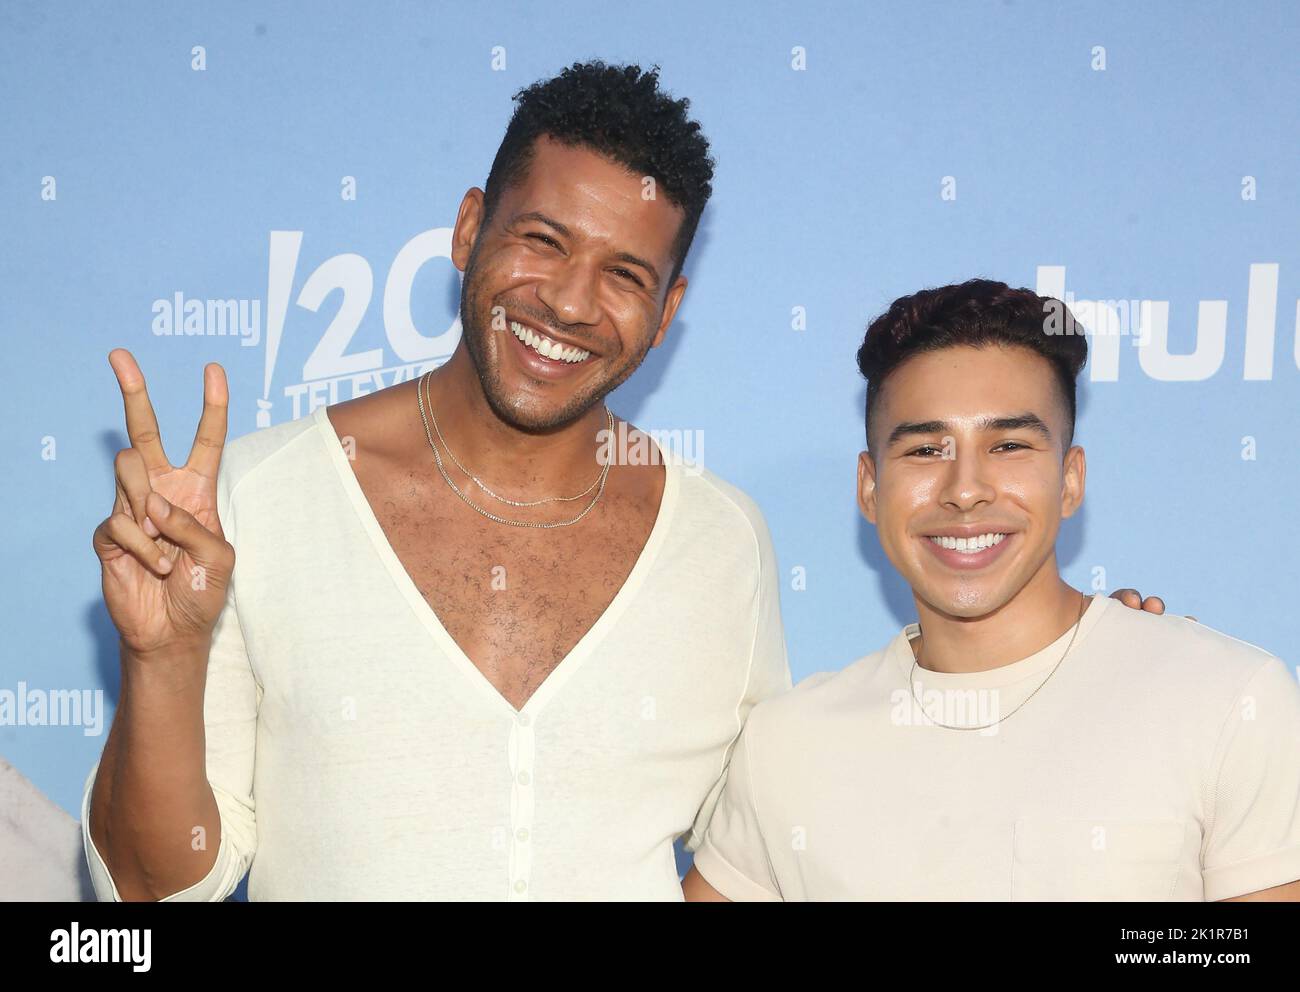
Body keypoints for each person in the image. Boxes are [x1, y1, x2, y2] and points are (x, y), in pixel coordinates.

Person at [84, 62, 1166, 902]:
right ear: (469, 228)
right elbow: (153, 884)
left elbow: (804, 821)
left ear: (668, 305)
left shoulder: (718, 539)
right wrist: (163, 657)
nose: (566, 302)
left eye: (623, 274)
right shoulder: (256, 498)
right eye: (541, 240)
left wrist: (1048, 676)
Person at [683, 279, 1300, 902]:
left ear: (1070, 478)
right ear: (870, 488)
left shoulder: (1228, 701)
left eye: (1008, 445)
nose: (966, 488)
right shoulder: (787, 745)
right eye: (925, 449)